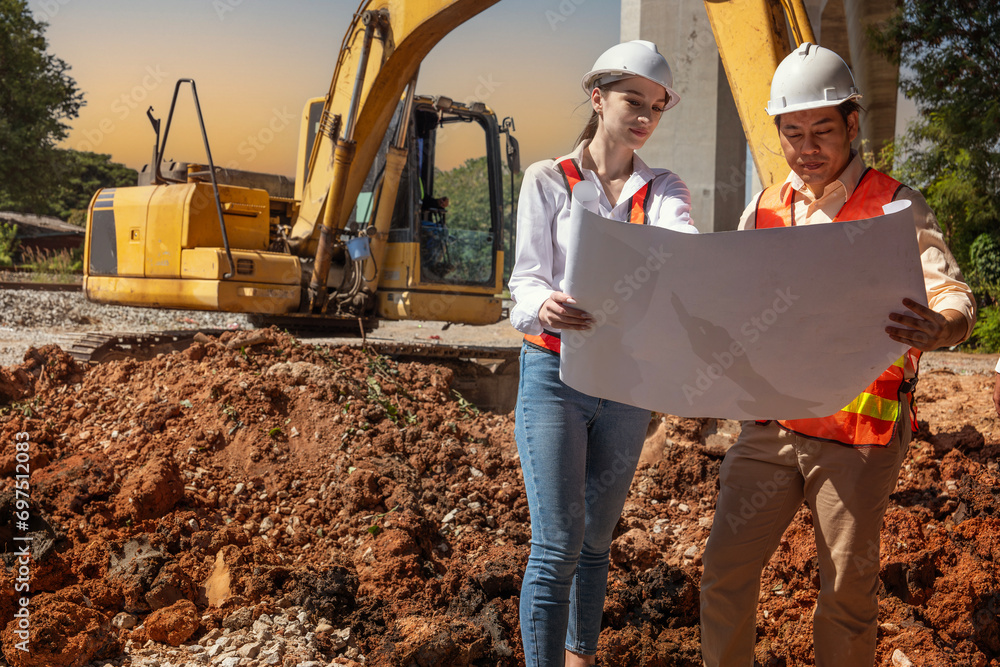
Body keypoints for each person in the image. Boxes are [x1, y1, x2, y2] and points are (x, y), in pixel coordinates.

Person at [699, 42, 976, 667]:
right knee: (722, 579)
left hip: (858, 437)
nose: (807, 147)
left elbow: (951, 293)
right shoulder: (764, 209)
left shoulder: (896, 206)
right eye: (792, 133)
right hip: (770, 430)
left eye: (821, 129)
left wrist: (943, 326)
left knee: (846, 598)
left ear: (852, 125)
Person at [508, 40, 695, 666]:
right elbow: (524, 282)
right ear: (598, 98)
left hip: (626, 382)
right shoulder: (547, 179)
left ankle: (581, 656)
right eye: (632, 101)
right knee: (557, 543)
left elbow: (681, 248)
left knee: (595, 540)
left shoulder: (663, 189)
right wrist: (545, 304)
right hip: (554, 375)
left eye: (656, 108)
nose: (645, 116)